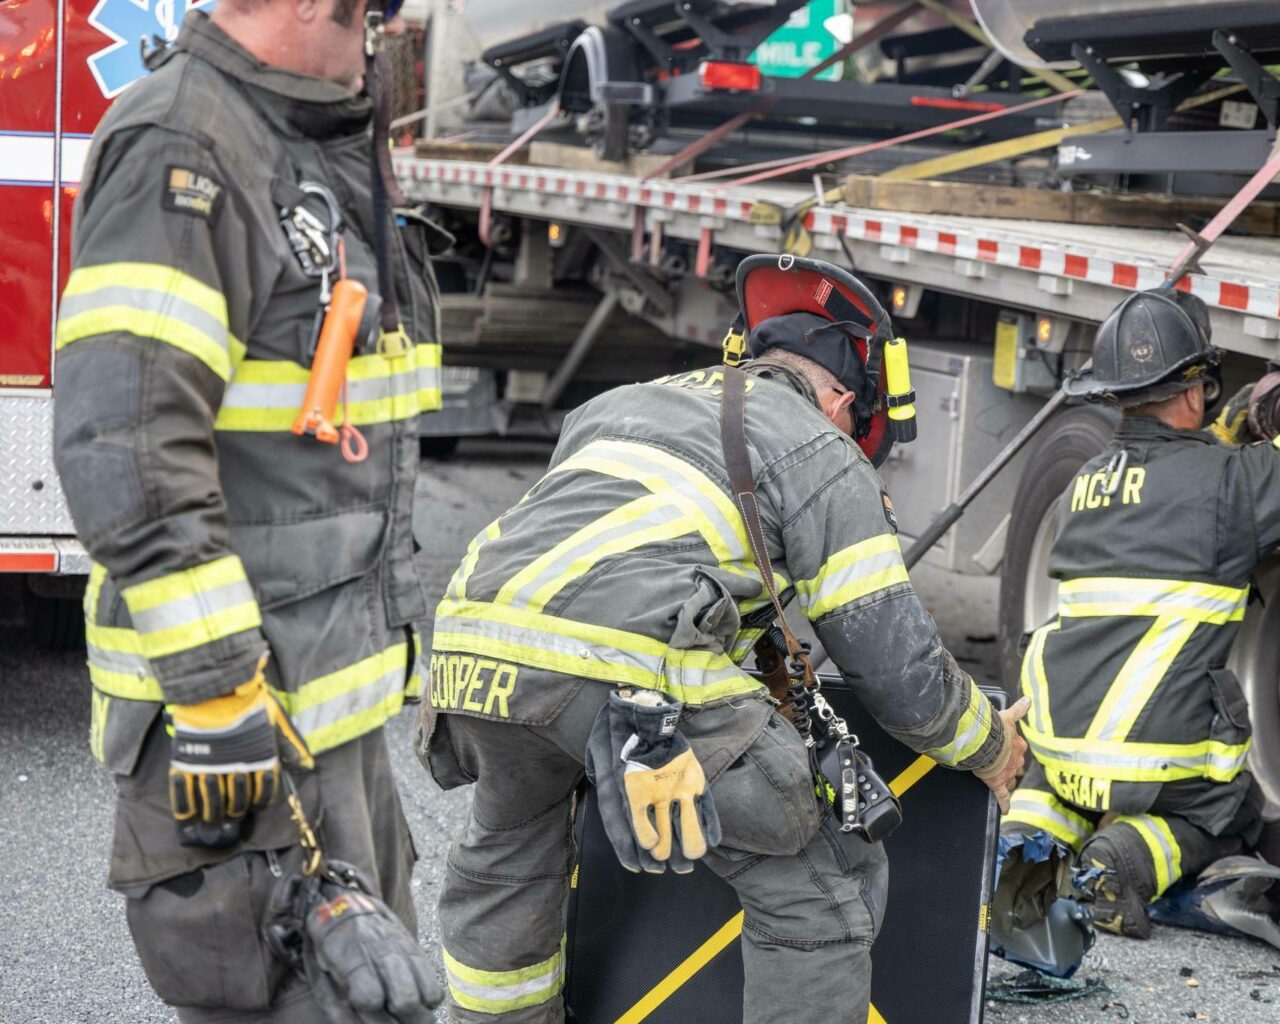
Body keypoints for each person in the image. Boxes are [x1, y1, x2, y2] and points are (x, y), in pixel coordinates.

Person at [419, 255, 1030, 1024]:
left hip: (473, 648)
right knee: (823, 880)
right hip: (631, 672)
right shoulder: (819, 446)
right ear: (842, 398)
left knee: (506, 858)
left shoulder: (617, 407)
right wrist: (987, 747)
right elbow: (895, 666)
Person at [52, 0, 444, 1019]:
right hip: (242, 722)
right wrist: (220, 699)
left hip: (328, 724)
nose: (380, 38)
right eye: (375, 13)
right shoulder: (187, 146)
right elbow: (128, 447)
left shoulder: (297, 139)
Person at [1002, 287, 1280, 939]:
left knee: (1058, 792)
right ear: (1197, 390)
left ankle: (1020, 868)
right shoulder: (1233, 486)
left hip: (1061, 740)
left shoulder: (1086, 483)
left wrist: (1227, 433)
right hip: (1157, 765)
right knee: (1232, 812)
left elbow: (1161, 483)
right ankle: (1122, 862)